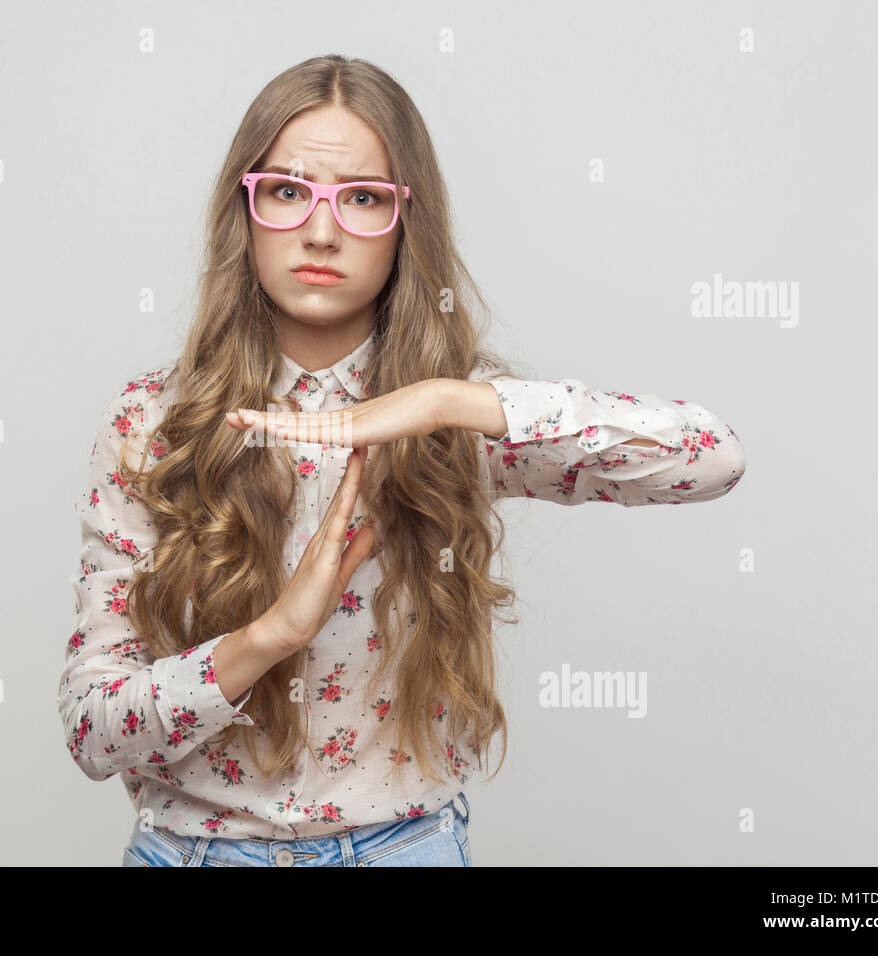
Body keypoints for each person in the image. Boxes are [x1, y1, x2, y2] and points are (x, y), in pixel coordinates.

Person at [57, 54, 747, 867]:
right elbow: (94, 731)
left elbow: (709, 457)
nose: (321, 231)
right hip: (187, 851)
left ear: (405, 221)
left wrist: (445, 402)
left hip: (400, 850)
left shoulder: (453, 416)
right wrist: (272, 635)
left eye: (362, 199)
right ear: (242, 211)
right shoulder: (153, 422)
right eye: (287, 192)